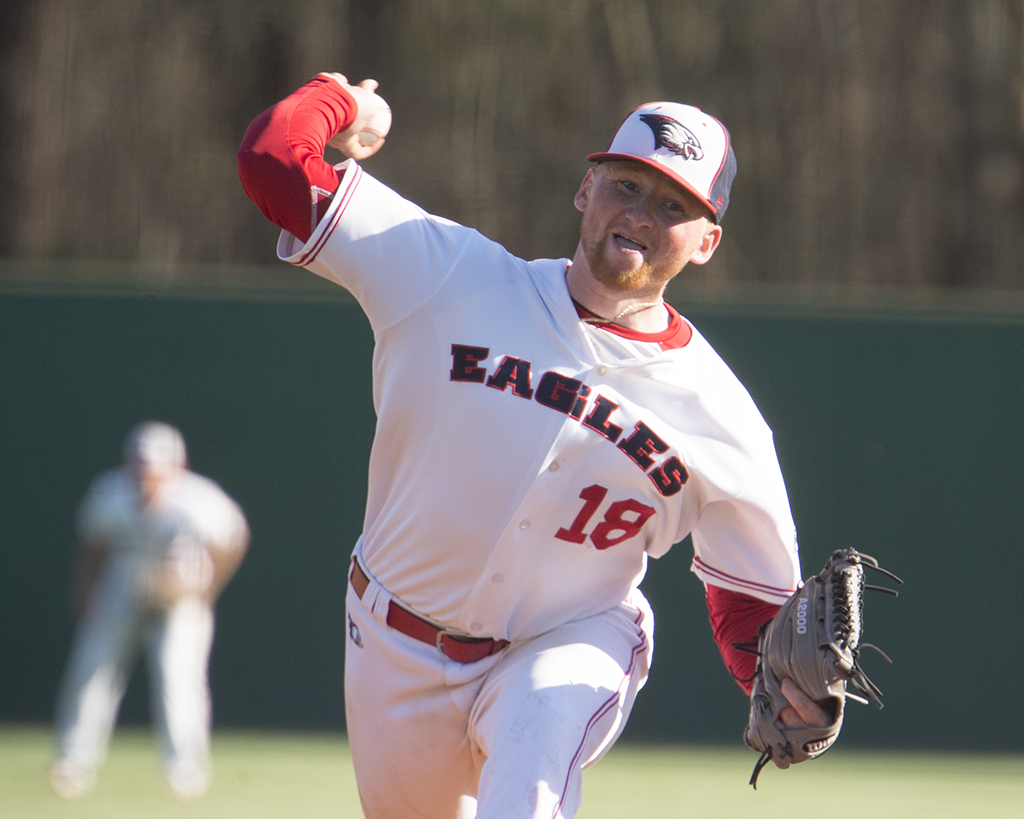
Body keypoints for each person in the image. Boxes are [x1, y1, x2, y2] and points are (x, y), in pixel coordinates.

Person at [237, 73, 827, 819]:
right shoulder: (450, 276)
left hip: (572, 639)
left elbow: (755, 609)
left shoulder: (723, 416)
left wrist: (790, 690)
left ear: (706, 241)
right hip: (394, 643)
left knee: (534, 757)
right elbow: (273, 163)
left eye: (673, 206)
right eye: (626, 185)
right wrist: (343, 99)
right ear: (586, 190)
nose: (641, 215)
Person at [49, 421, 250, 800]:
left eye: (154, 464)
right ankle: (73, 762)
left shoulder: (199, 501)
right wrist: (86, 589)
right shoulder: (110, 493)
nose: (146, 472)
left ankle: (184, 768)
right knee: (91, 672)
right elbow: (93, 543)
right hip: (122, 586)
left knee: (179, 680)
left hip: (180, 598)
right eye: (139, 463)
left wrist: (208, 588)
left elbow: (234, 539)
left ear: (176, 464)